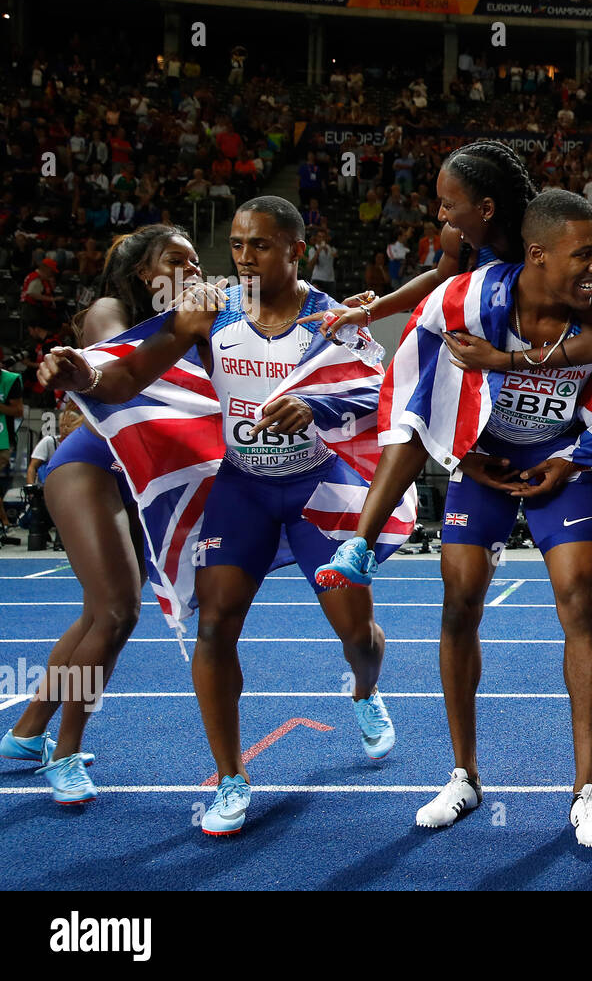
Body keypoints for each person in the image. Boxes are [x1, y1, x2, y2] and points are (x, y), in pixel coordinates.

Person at [38, 197, 399, 835]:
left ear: (298, 249)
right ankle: (231, 778)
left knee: (357, 638)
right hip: (244, 487)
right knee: (214, 629)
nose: (243, 258)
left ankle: (366, 690)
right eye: (235, 245)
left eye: (260, 245)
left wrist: (317, 409)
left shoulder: (333, 316)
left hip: (317, 487)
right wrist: (83, 376)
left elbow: (375, 396)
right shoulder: (209, 307)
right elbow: (129, 376)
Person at [319, 190, 592, 847]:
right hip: (487, 462)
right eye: (583, 255)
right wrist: (467, 456)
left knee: (579, 602)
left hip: (559, 460)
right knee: (459, 600)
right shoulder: (476, 304)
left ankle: (586, 792)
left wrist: (578, 459)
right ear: (538, 254)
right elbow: (436, 389)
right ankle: (463, 776)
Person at [3, 226, 198, 801]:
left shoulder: (196, 322)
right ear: (145, 273)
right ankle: (64, 756)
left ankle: (27, 731)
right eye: (176, 260)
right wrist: (181, 330)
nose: (192, 270)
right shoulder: (111, 310)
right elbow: (118, 368)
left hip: (148, 476)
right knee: (118, 613)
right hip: (93, 465)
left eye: (194, 261)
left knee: (97, 617)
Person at [0, 363, 21, 540]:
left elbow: (18, 410)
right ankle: (5, 524)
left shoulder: (10, 380)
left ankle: (6, 524)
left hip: (3, 442)